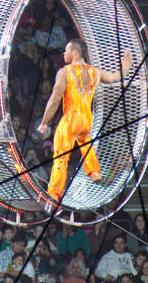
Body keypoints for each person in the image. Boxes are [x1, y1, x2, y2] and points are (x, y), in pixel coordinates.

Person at [36, 39, 134, 202]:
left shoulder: (65, 72)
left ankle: (54, 193)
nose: (64, 54)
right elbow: (113, 78)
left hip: (71, 118)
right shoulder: (94, 72)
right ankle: (94, 171)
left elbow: (55, 99)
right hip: (86, 119)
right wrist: (126, 68)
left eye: (66, 50)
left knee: (60, 156)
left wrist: (44, 122)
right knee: (85, 141)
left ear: (75, 52)